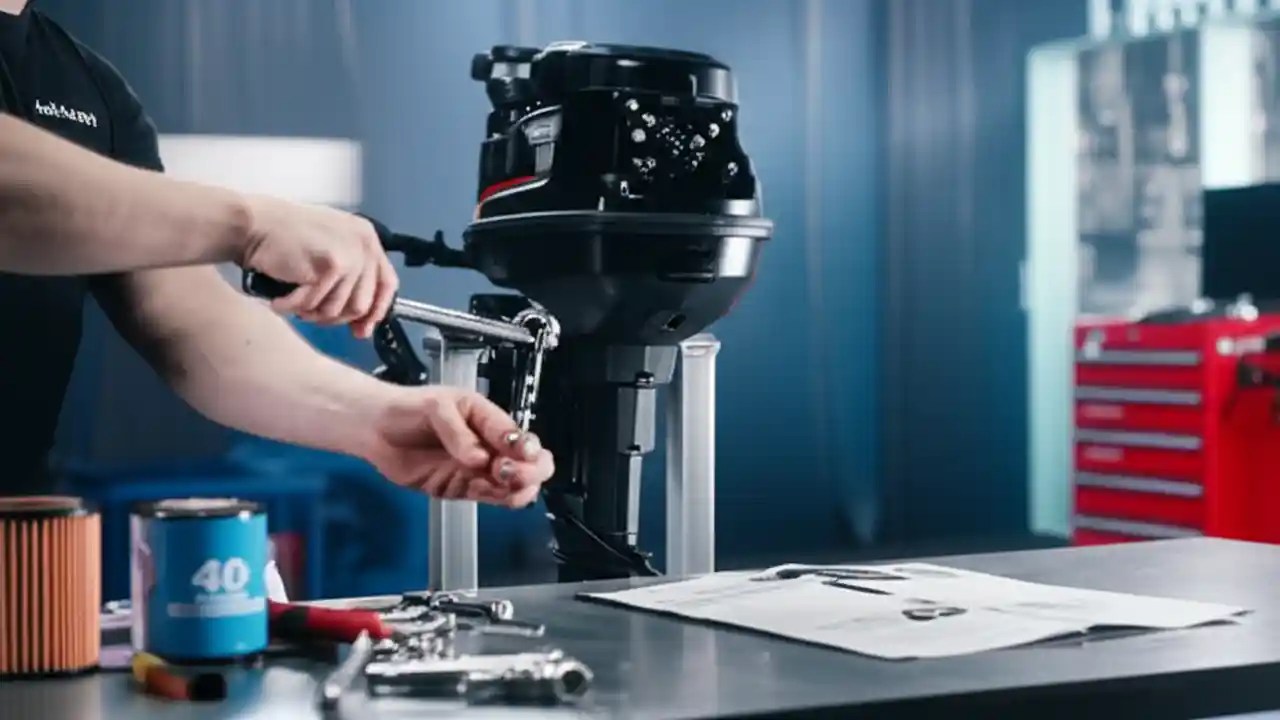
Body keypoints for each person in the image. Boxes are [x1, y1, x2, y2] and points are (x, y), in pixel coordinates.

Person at [0, 0, 553, 506]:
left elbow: (185, 318)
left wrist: (379, 419)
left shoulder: (87, 85)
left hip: (22, 541)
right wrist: (251, 223)